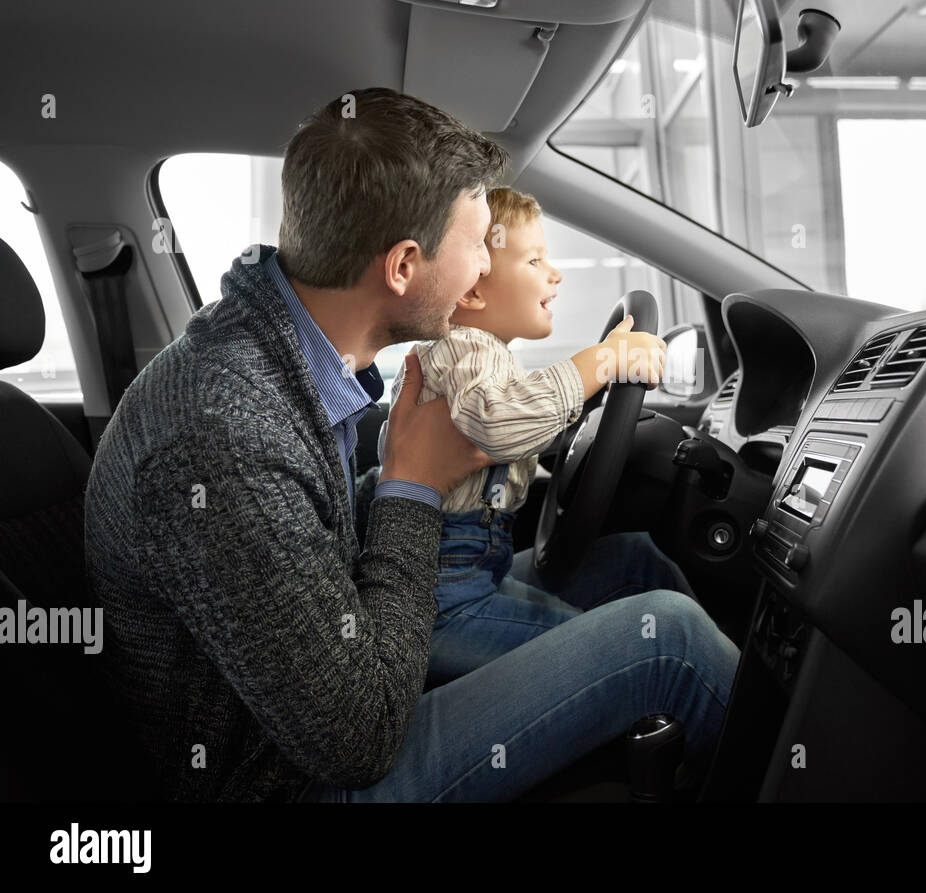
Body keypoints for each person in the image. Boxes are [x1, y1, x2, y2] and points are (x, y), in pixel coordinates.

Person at [83, 87, 741, 802]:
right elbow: (357, 739)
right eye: (477, 250)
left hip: (329, 684)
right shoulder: (222, 432)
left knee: (630, 567)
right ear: (402, 266)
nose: (484, 274)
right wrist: (412, 486)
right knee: (667, 637)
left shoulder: (295, 357)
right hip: (288, 779)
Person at [379, 186, 700, 688]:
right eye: (534, 260)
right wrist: (601, 362)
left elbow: (520, 424)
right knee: (602, 652)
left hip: (474, 570)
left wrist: (584, 409)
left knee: (636, 558)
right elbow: (500, 423)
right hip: (444, 600)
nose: (555, 273)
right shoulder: (467, 348)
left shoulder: (486, 352)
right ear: (473, 291)